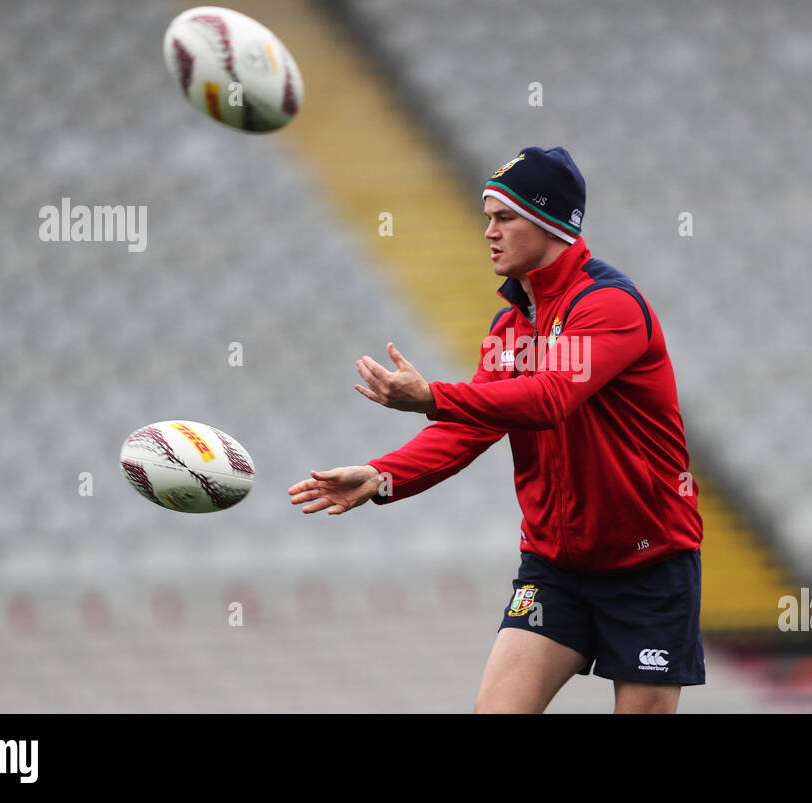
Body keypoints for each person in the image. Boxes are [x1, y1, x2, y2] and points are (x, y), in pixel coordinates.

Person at [288, 146, 704, 713]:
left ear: (549, 221)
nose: (489, 231)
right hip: (555, 566)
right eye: (488, 217)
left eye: (503, 217)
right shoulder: (511, 322)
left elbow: (549, 397)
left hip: (648, 563)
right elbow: (469, 427)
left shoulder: (609, 305)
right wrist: (385, 475)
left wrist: (431, 395)